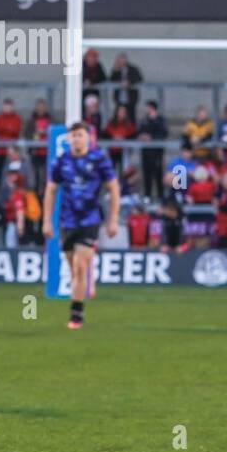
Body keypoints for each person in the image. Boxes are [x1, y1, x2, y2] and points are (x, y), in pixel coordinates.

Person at [43, 121, 120, 330]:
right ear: (68, 139)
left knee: (80, 265)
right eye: (73, 136)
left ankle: (76, 314)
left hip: (90, 219)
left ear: (89, 138)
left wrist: (113, 219)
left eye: (80, 135)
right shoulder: (61, 161)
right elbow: (51, 190)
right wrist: (47, 220)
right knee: (73, 269)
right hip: (67, 221)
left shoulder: (99, 159)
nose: (77, 139)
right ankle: (78, 302)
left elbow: (113, 188)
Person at [136, 100, 168, 202]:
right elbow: (139, 131)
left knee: (158, 174)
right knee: (147, 174)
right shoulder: (144, 120)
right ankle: (147, 195)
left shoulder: (160, 120)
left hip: (157, 152)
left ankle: (160, 195)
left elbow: (163, 133)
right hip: (146, 151)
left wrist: (152, 137)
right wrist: (142, 136)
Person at [25, 99, 52, 194]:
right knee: (35, 176)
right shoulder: (31, 121)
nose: (41, 109)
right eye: (39, 107)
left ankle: (46, 195)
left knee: (46, 176)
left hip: (47, 152)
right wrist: (35, 134)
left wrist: (46, 132)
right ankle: (36, 197)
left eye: (43, 107)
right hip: (35, 152)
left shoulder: (51, 120)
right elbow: (27, 134)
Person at [0, 98, 22, 180]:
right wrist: (8, 128)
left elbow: (15, 130)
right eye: (6, 106)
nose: (8, 108)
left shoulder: (17, 118)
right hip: (0, 151)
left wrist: (4, 129)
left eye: (9, 106)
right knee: (0, 173)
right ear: (3, 107)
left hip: (13, 152)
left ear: (13, 107)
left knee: (14, 173)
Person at [103, 103, 137, 175]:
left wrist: (123, 138)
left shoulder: (128, 123)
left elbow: (133, 134)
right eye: (120, 112)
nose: (121, 114)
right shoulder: (111, 122)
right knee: (112, 170)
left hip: (124, 150)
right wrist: (114, 137)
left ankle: (123, 185)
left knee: (124, 171)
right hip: (113, 150)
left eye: (123, 112)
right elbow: (106, 133)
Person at [109, 53, 143, 122]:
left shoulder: (133, 69)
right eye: (119, 61)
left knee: (131, 117)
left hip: (130, 98)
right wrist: (115, 70)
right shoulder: (116, 69)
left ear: (126, 60)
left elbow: (139, 78)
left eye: (122, 61)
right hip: (119, 99)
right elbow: (111, 80)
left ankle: (132, 132)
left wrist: (129, 82)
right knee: (117, 117)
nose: (121, 62)